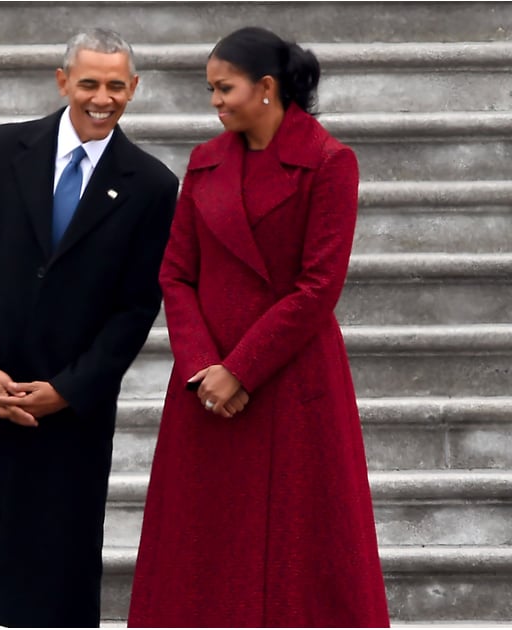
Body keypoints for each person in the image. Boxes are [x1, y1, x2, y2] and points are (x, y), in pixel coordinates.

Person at [0, 29, 179, 627]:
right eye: (90, 83)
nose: (102, 98)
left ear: (134, 89)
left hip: (68, 416)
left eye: (116, 86)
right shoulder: (1, 150)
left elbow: (135, 309)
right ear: (62, 81)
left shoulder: (151, 185)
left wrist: (67, 390)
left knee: (50, 591)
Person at [127, 27, 390, 627]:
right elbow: (176, 274)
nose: (214, 101)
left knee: (300, 548)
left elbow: (319, 286)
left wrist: (240, 369)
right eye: (211, 89)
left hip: (290, 383)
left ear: (266, 88)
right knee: (201, 545)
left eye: (224, 88)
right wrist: (203, 368)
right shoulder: (204, 161)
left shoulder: (329, 162)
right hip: (206, 389)